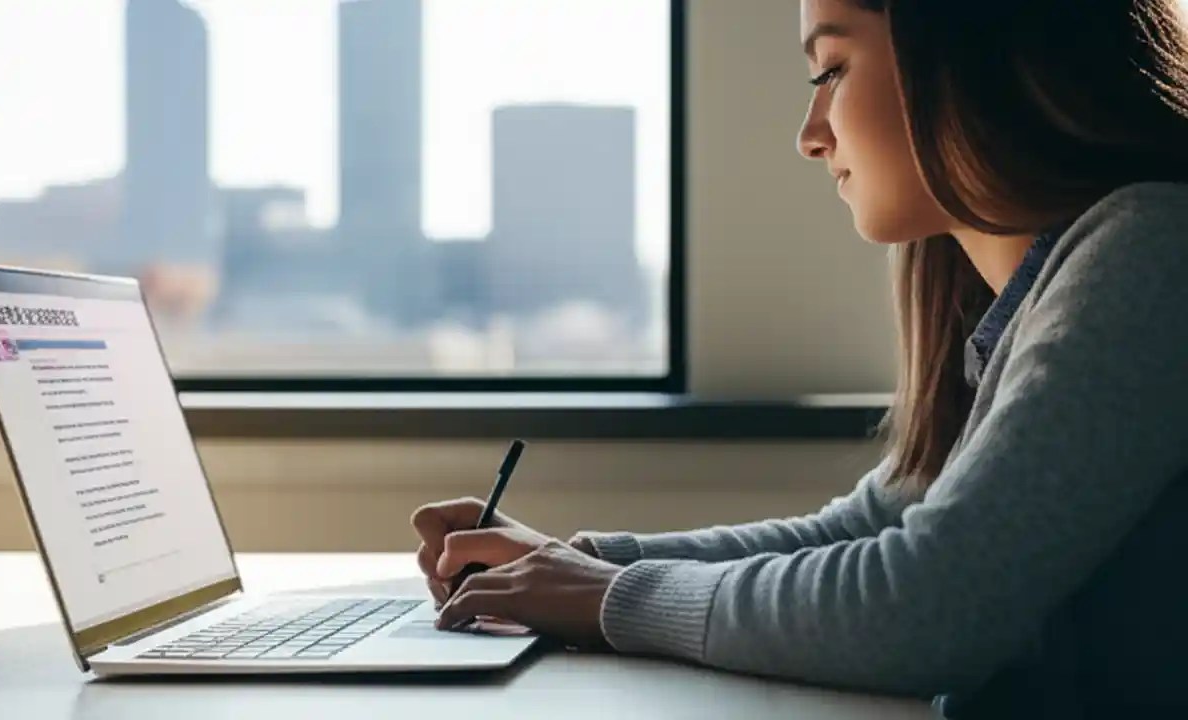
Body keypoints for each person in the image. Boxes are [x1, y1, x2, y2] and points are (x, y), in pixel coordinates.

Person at [411, 1, 1188, 716]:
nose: (810, 134)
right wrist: (579, 563)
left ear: (970, 52)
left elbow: (923, 604)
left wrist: (608, 595)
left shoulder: (1153, 247)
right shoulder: (1020, 300)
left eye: (831, 71)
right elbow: (870, 527)